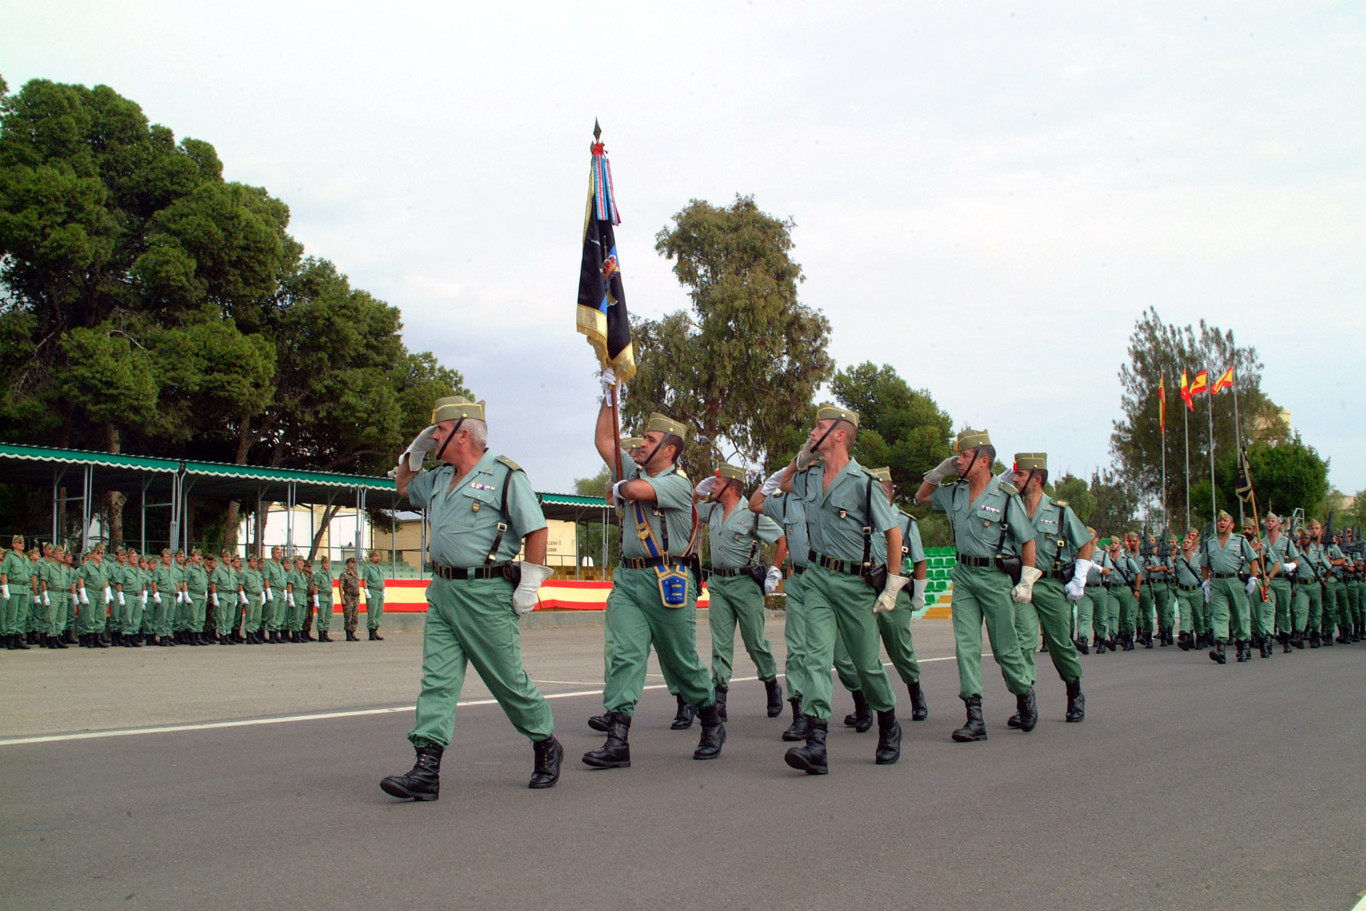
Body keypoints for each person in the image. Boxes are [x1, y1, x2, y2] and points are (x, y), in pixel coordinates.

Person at [383, 395, 561, 799]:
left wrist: (530, 584)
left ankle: (545, 743)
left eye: (440, 432)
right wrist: (415, 452)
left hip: (486, 593)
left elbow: (536, 530)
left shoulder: (506, 475)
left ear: (464, 434)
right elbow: (404, 485)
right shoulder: (440, 477)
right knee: (437, 682)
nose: (434, 438)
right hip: (444, 590)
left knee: (508, 681)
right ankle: (426, 769)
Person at [581, 384, 724, 769]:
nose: (640, 444)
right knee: (626, 655)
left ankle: (711, 719)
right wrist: (609, 397)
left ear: (669, 450)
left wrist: (620, 486)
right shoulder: (636, 468)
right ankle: (617, 739)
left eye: (649, 439)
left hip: (667, 580)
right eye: (642, 437)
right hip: (630, 580)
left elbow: (636, 490)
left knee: (680, 661)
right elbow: (605, 439)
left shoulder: (677, 483)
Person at [780, 404, 905, 774]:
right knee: (816, 657)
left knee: (866, 665)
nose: (811, 432)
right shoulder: (809, 475)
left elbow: (893, 534)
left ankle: (888, 721)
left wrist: (893, 584)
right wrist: (800, 458)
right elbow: (782, 485)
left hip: (854, 584)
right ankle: (816, 742)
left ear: (839, 434)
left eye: (818, 427)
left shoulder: (864, 483)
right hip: (817, 578)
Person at [914, 428, 1038, 743]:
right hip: (965, 576)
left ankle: (1023, 693)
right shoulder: (955, 491)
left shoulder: (1006, 496)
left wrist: (1027, 580)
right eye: (957, 456)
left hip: (995, 579)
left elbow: (1027, 540)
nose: (959, 461)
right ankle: (974, 715)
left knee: (1005, 649)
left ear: (983, 461)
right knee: (966, 646)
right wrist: (939, 472)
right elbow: (922, 496)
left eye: (965, 456)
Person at [695, 463, 786, 720]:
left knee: (754, 642)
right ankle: (720, 696)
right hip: (720, 585)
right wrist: (696, 492)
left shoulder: (752, 513)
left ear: (731, 487)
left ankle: (771, 684)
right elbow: (687, 510)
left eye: (716, 482)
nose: (712, 486)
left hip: (745, 585)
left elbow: (781, 540)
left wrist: (775, 571)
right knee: (720, 642)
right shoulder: (711, 510)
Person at [1010, 454, 1089, 723]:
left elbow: (1085, 543)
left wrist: (1079, 578)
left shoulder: (1059, 510)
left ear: (1037, 479)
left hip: (1053, 586)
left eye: (1021, 475)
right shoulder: (1013, 507)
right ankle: (1025, 702)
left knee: (1059, 645)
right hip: (1024, 586)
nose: (1016, 479)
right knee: (1023, 642)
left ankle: (1074, 691)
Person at [865, 466, 930, 721]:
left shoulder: (905, 521)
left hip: (895, 593)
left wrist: (919, 594)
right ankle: (866, 706)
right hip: (865, 591)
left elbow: (919, 561)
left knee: (900, 649)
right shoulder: (862, 519)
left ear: (888, 492)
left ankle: (915, 693)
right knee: (864, 652)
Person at [1200, 509, 1258, 664]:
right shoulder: (1210, 543)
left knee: (1240, 614)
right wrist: (1206, 584)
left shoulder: (1240, 541)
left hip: (1235, 581)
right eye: (1219, 521)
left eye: (1225, 521)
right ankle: (1220, 648)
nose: (1221, 523)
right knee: (1220, 615)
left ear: (1232, 525)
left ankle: (1243, 646)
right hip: (1217, 582)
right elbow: (1204, 565)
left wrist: (1253, 578)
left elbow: (1253, 560)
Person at [1259, 513, 1302, 653]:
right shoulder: (1261, 541)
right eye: (1268, 521)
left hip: (1283, 579)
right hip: (1267, 581)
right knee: (1268, 610)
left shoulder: (1286, 541)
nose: (1270, 524)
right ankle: (1268, 639)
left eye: (1273, 521)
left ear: (1278, 524)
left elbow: (1296, 559)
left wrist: (1291, 566)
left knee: (1284, 611)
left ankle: (1286, 637)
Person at [2, 535, 33, 651]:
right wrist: (5, 589)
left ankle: (18, 638)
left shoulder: (25, 558)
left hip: (24, 588)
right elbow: (4, 573)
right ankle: (10, 638)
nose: (22, 544)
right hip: (14, 587)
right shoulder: (10, 557)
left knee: (22, 615)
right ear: (13, 544)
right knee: (12, 614)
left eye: (23, 542)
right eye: (19, 542)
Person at [362, 550, 386, 640]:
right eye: (375, 556)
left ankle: (375, 630)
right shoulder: (368, 568)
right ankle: (371, 632)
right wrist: (366, 591)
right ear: (371, 558)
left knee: (379, 613)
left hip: (380, 592)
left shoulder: (380, 568)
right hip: (372, 591)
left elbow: (382, 580)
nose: (377, 558)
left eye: (378, 556)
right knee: (372, 612)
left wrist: (384, 589)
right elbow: (364, 580)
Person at [312, 556, 335, 643]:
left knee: (328, 616)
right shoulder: (319, 574)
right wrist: (316, 598)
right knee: (321, 616)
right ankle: (321, 634)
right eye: (325, 563)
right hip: (322, 596)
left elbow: (330, 585)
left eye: (328, 563)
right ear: (322, 564)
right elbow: (316, 586)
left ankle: (326, 633)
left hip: (329, 596)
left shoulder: (329, 574)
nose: (326, 565)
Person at [339, 557, 361, 641]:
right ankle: (348, 633)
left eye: (354, 563)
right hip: (348, 596)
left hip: (355, 597)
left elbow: (357, 586)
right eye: (352, 563)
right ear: (348, 564)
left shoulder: (356, 573)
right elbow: (340, 586)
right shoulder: (344, 574)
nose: (353, 564)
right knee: (348, 616)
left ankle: (352, 632)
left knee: (355, 616)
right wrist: (342, 598)